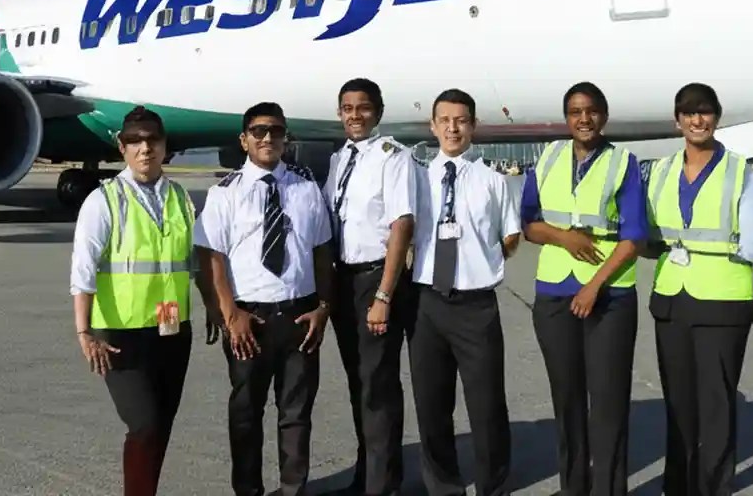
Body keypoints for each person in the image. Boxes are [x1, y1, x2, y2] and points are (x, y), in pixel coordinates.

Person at [194, 102, 334, 496]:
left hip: (299, 317)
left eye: (275, 131)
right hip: (247, 320)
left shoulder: (306, 189)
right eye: (258, 131)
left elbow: (322, 251)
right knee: (245, 414)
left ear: (286, 137)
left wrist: (324, 307)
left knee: (296, 415)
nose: (268, 138)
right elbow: (211, 259)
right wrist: (228, 315)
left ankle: (294, 489)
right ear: (244, 140)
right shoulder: (224, 194)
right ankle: (248, 491)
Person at [644, 83, 753, 496]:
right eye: (688, 113)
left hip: (722, 301)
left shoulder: (738, 170)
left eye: (705, 112)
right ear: (677, 120)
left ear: (717, 117)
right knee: (678, 405)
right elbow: (648, 232)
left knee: (716, 406)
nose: (697, 120)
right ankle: (677, 487)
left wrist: (707, 251)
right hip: (671, 300)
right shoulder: (662, 170)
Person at [520, 81, 647, 496]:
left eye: (591, 111)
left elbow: (634, 237)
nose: (584, 119)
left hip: (609, 297)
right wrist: (565, 238)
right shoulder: (549, 157)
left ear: (604, 116)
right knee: (567, 402)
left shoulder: (623, 163)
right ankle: (574, 487)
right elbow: (530, 224)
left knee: (608, 405)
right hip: (555, 294)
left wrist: (594, 286)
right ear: (567, 118)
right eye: (575, 112)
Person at [69, 106, 197, 496]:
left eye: (153, 141)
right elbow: (83, 269)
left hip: (173, 330)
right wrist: (84, 330)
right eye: (135, 142)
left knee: (161, 426)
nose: (145, 149)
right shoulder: (104, 200)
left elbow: (195, 261)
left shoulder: (180, 197)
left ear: (164, 146)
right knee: (143, 424)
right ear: (121, 147)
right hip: (119, 333)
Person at [409, 88, 520, 496]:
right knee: (432, 404)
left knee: (487, 405)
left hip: (476, 306)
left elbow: (510, 236)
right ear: (433, 126)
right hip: (427, 303)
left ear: (473, 126)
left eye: (461, 120)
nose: (453, 128)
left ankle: (494, 484)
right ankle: (444, 484)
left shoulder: (493, 180)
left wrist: (479, 264)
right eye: (445, 120)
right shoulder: (417, 180)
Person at [322, 77, 418, 496]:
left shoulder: (393, 157)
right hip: (343, 281)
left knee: (378, 385)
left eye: (363, 107)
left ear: (377, 112)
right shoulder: (338, 159)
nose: (354, 115)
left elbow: (402, 224)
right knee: (358, 382)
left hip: (374, 282)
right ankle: (367, 477)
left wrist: (383, 294)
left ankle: (383, 485)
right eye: (347, 108)